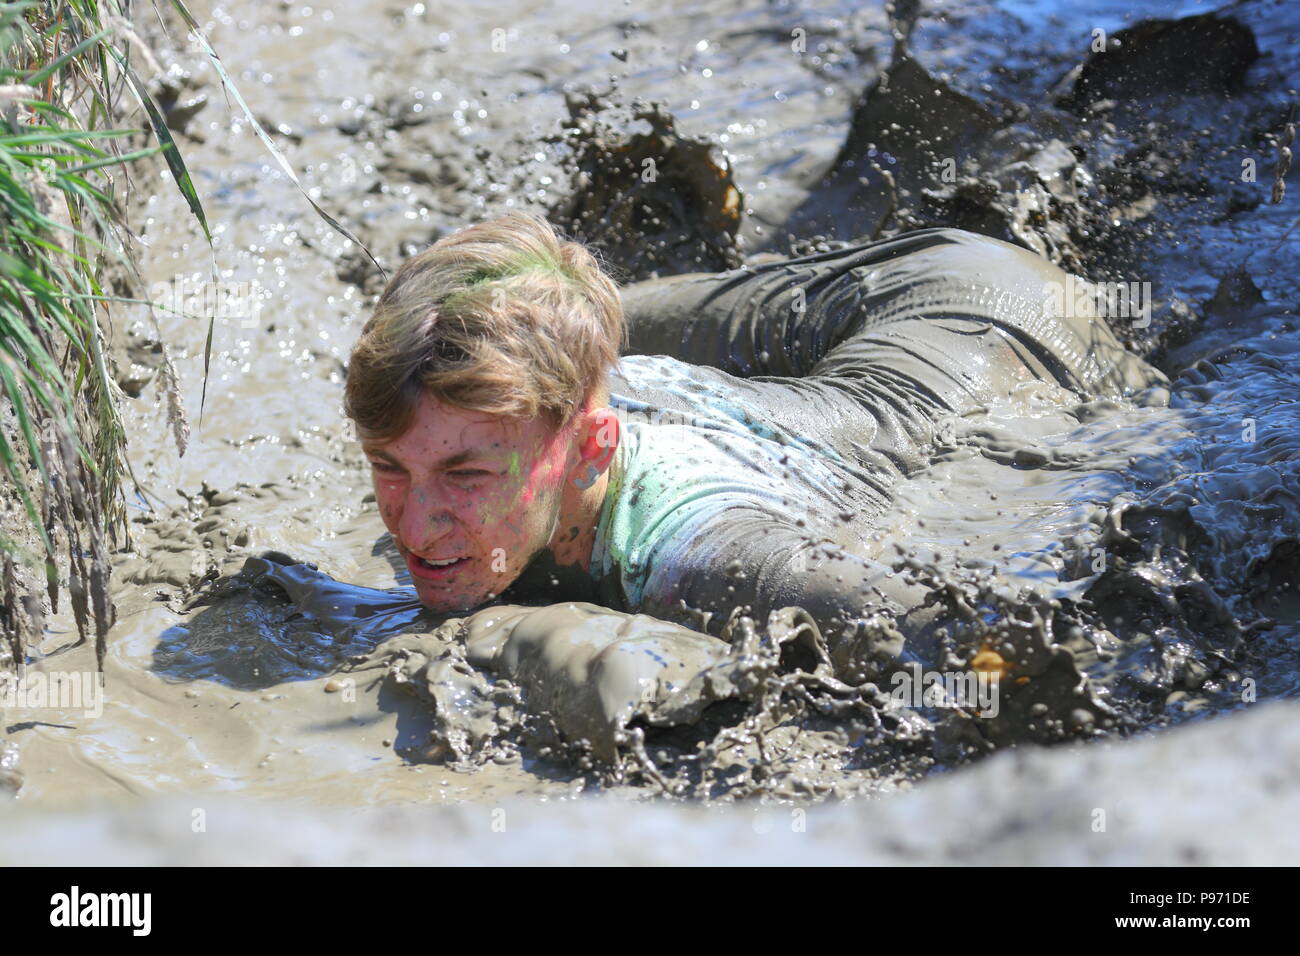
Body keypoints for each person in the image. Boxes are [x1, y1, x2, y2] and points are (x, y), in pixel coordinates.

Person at [343, 212, 1162, 672]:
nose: (414, 527)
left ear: (590, 448)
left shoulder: (697, 550)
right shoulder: (512, 412)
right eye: (390, 467)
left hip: (1008, 326)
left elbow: (976, 653)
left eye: (466, 474)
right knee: (546, 305)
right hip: (871, 317)